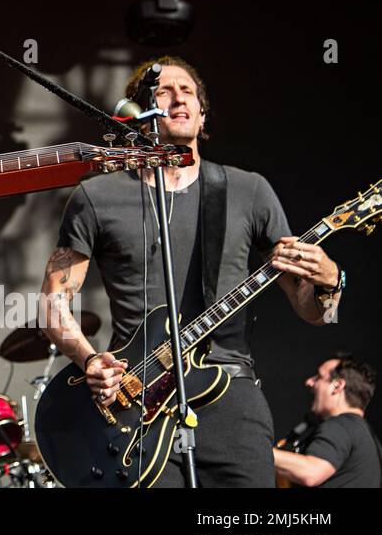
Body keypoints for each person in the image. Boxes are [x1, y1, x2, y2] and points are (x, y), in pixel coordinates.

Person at [38, 56, 343, 487]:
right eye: (163, 90)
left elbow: (315, 313)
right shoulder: (96, 196)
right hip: (133, 399)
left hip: (230, 393)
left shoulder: (247, 190)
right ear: (139, 115)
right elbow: (53, 304)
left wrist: (330, 282)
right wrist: (88, 360)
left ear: (202, 113)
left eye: (189, 91)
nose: (179, 96)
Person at [275, 354, 381, 488]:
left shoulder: (341, 426)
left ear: (337, 386)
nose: (309, 382)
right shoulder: (366, 437)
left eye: (319, 377)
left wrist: (259, 450)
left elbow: (311, 473)